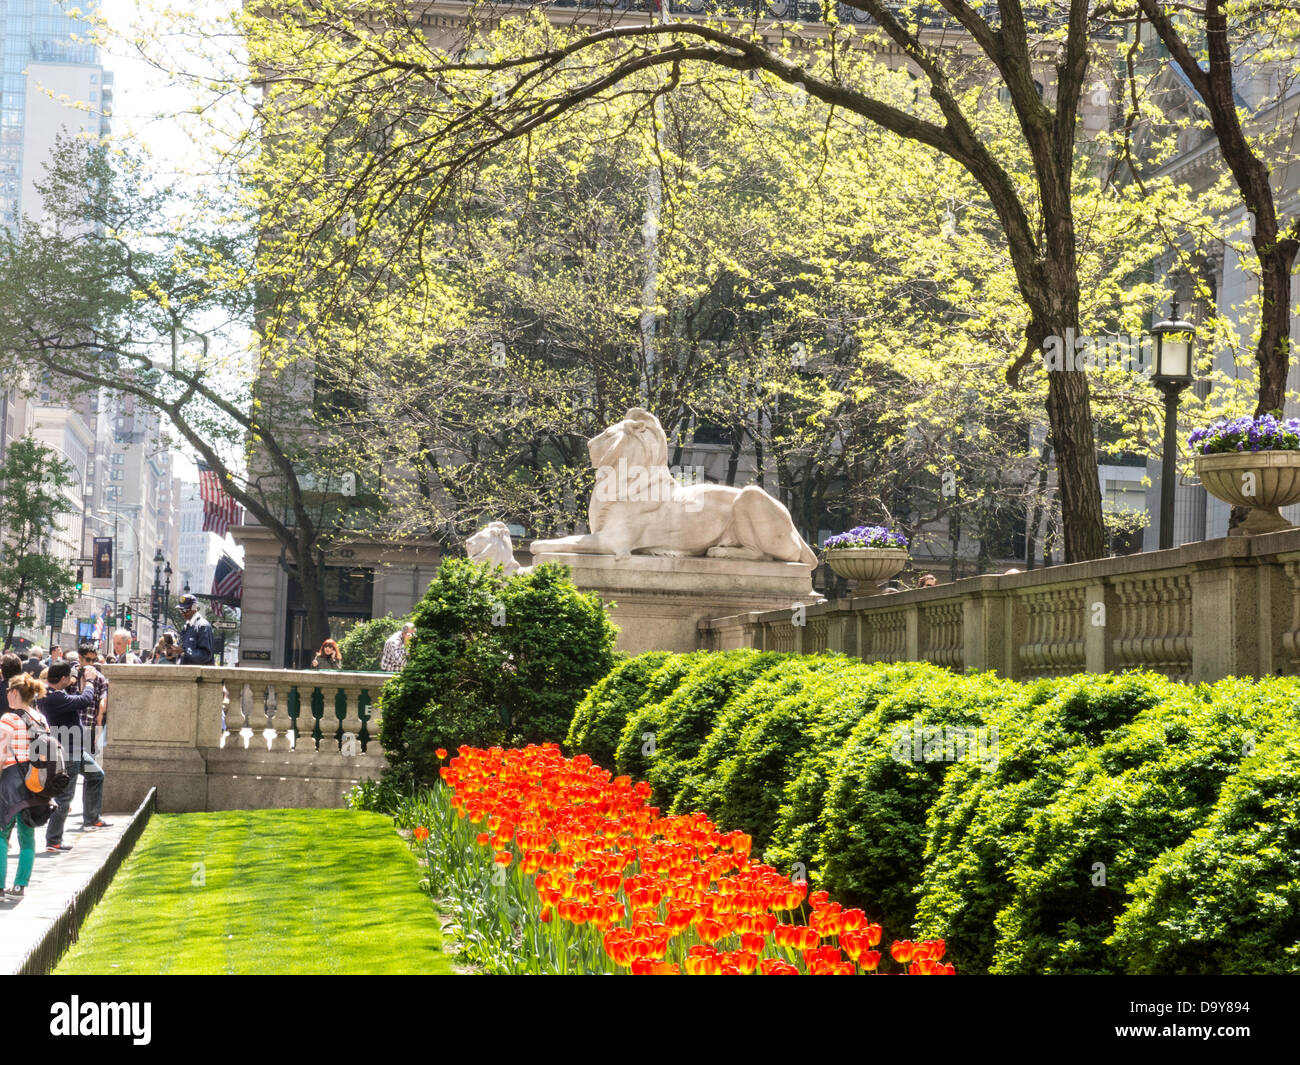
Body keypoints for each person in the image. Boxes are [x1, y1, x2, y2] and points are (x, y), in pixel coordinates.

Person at [40, 659, 109, 851]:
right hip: (68, 752)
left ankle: (92, 818)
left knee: (96, 776)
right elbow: (85, 700)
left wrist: (80, 679)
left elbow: (76, 697)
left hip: (76, 750)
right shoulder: (54, 698)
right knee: (64, 798)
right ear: (62, 678)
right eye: (69, 676)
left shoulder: (53, 694)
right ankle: (53, 840)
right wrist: (89, 681)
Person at [1, 672, 53, 898]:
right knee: (28, 836)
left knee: (2, 834)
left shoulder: (9, 719)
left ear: (13, 693)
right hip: (35, 782)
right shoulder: (41, 719)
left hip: (12, 782)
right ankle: (20, 886)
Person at [78, 642, 110, 757]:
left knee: (89, 766)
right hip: (72, 726)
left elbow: (102, 704)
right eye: (88, 659)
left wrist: (99, 727)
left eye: (93, 660)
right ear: (80, 658)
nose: (91, 663)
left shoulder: (99, 678)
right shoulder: (72, 676)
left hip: (89, 725)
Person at [178, 594, 215, 665]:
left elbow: (205, 656)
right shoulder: (186, 626)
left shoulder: (203, 626)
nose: (183, 613)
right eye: (181, 610)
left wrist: (184, 651)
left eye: (185, 610)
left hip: (198, 674)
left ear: (194, 608)